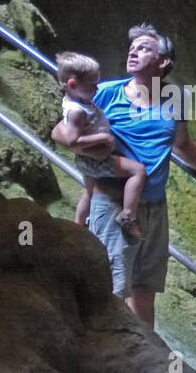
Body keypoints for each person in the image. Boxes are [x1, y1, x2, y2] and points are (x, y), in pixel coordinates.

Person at [89, 23, 196, 326]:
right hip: (115, 207)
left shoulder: (176, 99)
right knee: (110, 290)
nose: (133, 51)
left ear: (163, 62)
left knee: (144, 291)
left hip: (155, 209)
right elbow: (72, 135)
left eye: (144, 48)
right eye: (132, 47)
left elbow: (182, 144)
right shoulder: (104, 94)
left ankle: (146, 365)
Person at [50, 51, 147, 241]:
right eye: (92, 85)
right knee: (138, 171)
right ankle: (128, 215)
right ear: (72, 84)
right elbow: (72, 140)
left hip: (87, 160)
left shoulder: (78, 100)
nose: (96, 89)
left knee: (89, 193)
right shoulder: (77, 111)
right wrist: (103, 138)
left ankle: (77, 227)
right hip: (95, 160)